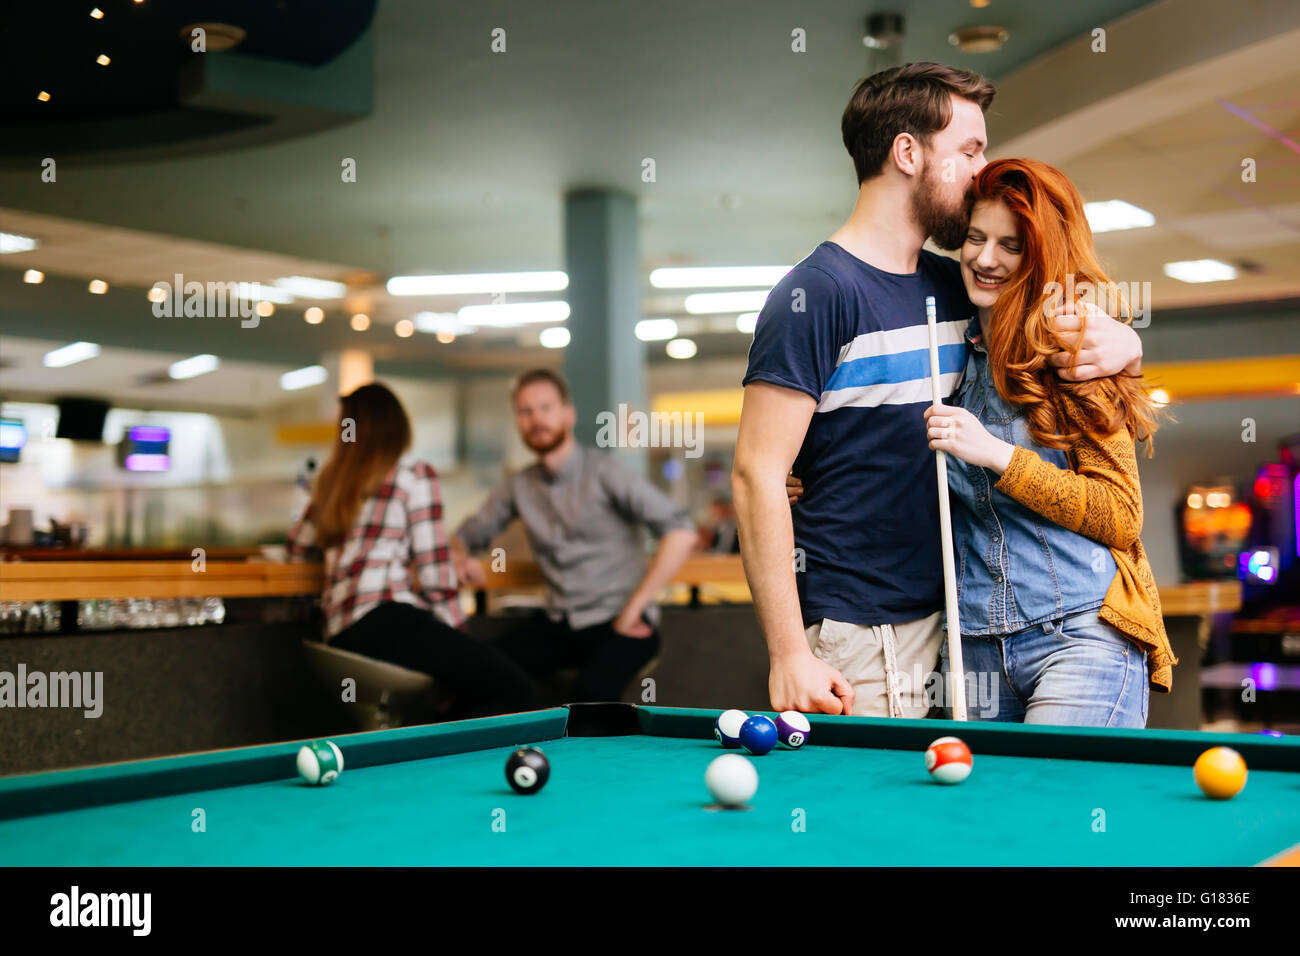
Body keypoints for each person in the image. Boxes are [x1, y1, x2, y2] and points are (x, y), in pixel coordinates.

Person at [733, 62, 1145, 718]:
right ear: (907, 153)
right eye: (969, 150)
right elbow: (757, 473)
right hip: (862, 627)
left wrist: (1125, 344)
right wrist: (788, 652)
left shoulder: (955, 283)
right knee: (871, 816)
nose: (981, 170)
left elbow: (1049, 307)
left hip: (957, 627)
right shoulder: (815, 297)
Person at [921, 157, 1173, 726]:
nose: (985, 259)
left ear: (1039, 256)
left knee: (1061, 811)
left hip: (1080, 638)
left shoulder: (1075, 350)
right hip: (974, 649)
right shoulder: (948, 352)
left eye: (1010, 246)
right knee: (980, 818)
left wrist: (998, 455)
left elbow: (1120, 514)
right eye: (976, 238)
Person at [287, 382, 538, 720]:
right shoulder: (414, 475)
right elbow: (435, 574)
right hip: (387, 618)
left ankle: (417, 745)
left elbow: (296, 552)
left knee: (460, 688)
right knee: (516, 688)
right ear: (399, 427)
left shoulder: (329, 484)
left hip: (338, 636)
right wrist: (456, 633)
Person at [451, 368, 697, 704]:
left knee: (588, 699)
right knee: (477, 670)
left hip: (620, 621)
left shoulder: (605, 471)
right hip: (558, 623)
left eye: (546, 408)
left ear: (568, 414)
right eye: (526, 411)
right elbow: (466, 534)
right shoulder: (519, 485)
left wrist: (636, 607)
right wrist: (460, 555)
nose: (536, 419)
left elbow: (680, 530)